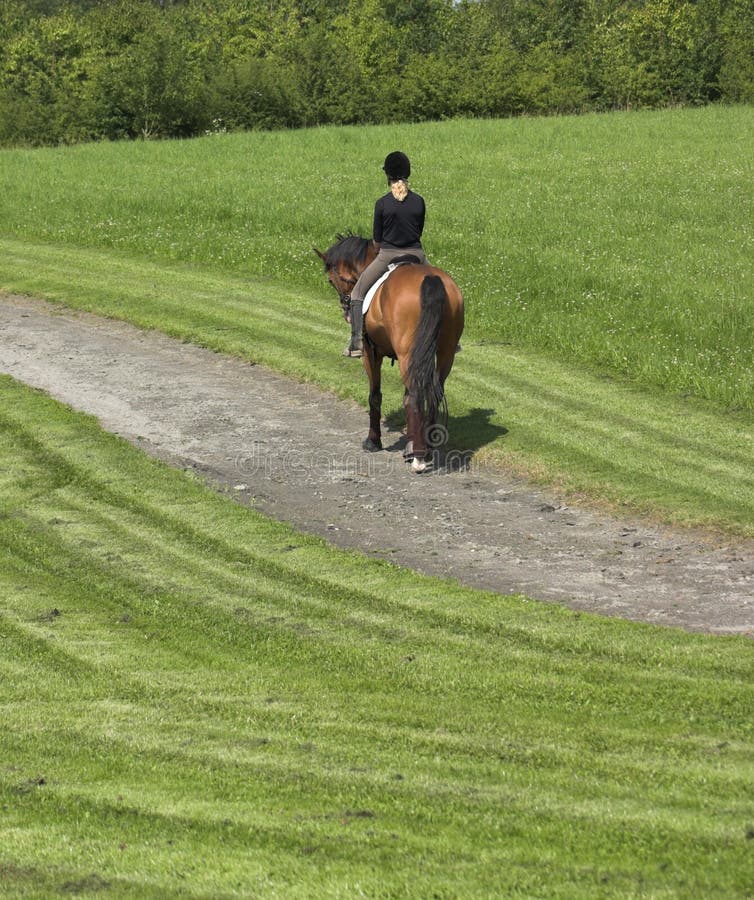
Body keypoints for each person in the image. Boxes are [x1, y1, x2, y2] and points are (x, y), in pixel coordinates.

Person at [345, 151, 427, 357]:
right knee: (441, 287)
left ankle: (356, 342)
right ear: (407, 174)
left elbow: (377, 241)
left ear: (388, 176)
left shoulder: (382, 204)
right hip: (417, 255)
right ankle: (453, 341)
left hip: (388, 255)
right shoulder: (419, 201)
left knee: (357, 293)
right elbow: (419, 231)